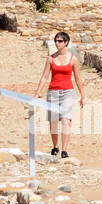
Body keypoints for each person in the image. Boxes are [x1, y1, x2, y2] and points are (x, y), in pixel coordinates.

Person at [34, 30, 85, 159]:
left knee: (66, 121)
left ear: (66, 43)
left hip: (67, 92)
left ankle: (64, 150)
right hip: (53, 92)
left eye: (60, 41)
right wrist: (37, 93)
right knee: (54, 122)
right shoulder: (51, 58)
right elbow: (44, 76)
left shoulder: (73, 59)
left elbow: (78, 78)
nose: (57, 43)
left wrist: (83, 96)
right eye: (56, 41)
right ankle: (55, 146)